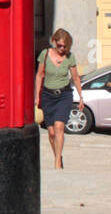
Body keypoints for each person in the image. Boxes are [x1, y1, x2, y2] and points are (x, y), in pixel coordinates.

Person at [33, 28, 84, 170]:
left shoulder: (70, 57)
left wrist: (81, 97)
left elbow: (75, 77)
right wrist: (37, 96)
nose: (62, 49)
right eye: (59, 45)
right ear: (54, 42)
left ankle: (57, 164)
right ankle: (58, 156)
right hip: (48, 96)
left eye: (65, 46)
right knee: (51, 132)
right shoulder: (45, 54)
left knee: (59, 126)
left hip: (64, 95)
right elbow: (39, 75)